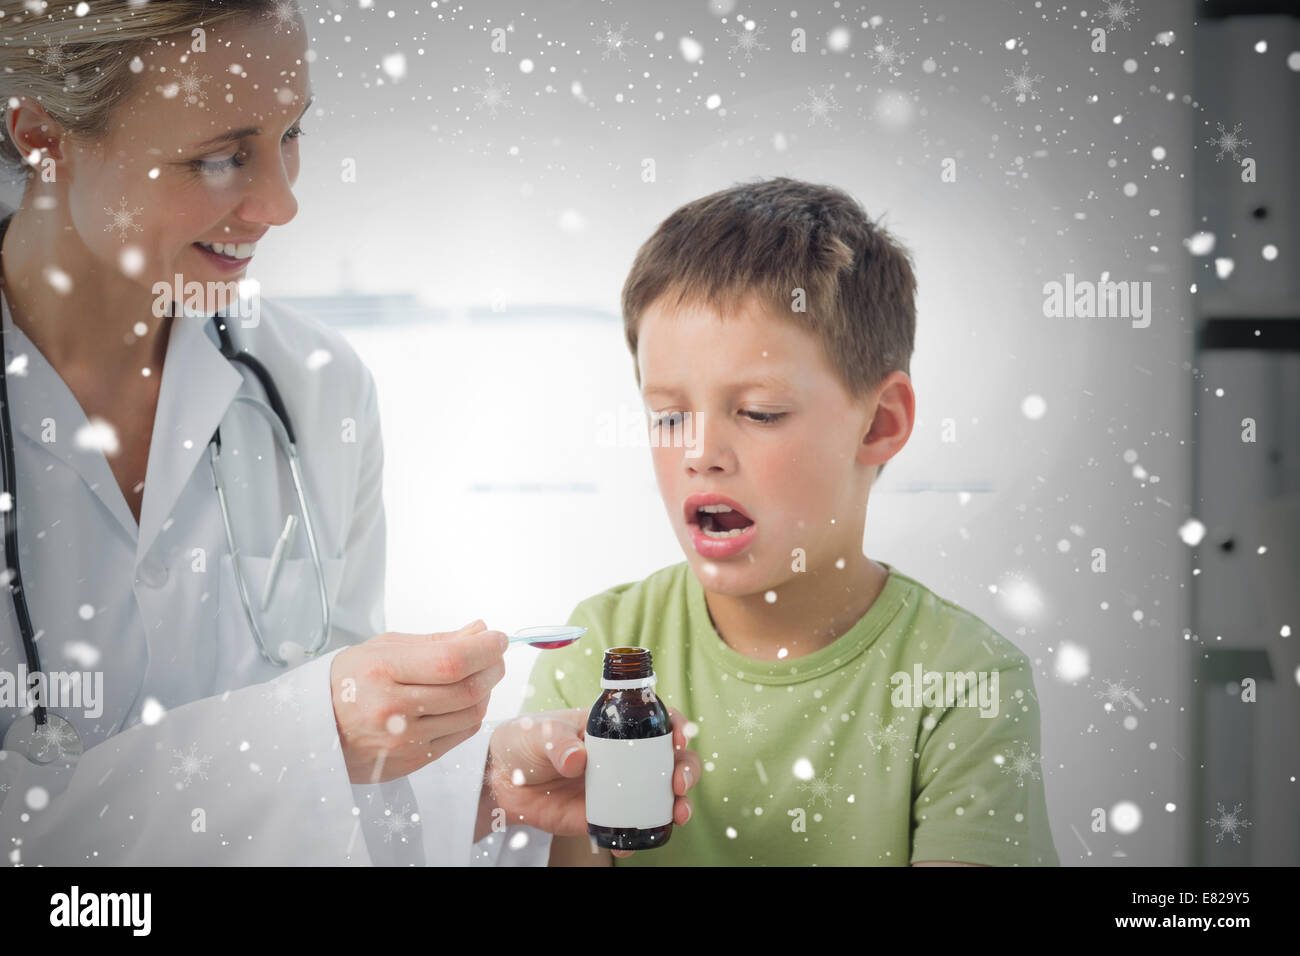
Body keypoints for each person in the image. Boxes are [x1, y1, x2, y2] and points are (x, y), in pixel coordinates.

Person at [0, 0, 700, 865]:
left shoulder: (316, 390)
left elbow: (321, 805)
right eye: (219, 156)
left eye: (291, 132)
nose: (282, 203)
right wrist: (304, 732)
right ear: (42, 137)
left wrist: (479, 786)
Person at [527, 177, 1060, 866]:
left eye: (758, 413)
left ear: (880, 423)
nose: (700, 454)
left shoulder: (964, 681)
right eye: (668, 416)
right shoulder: (600, 654)